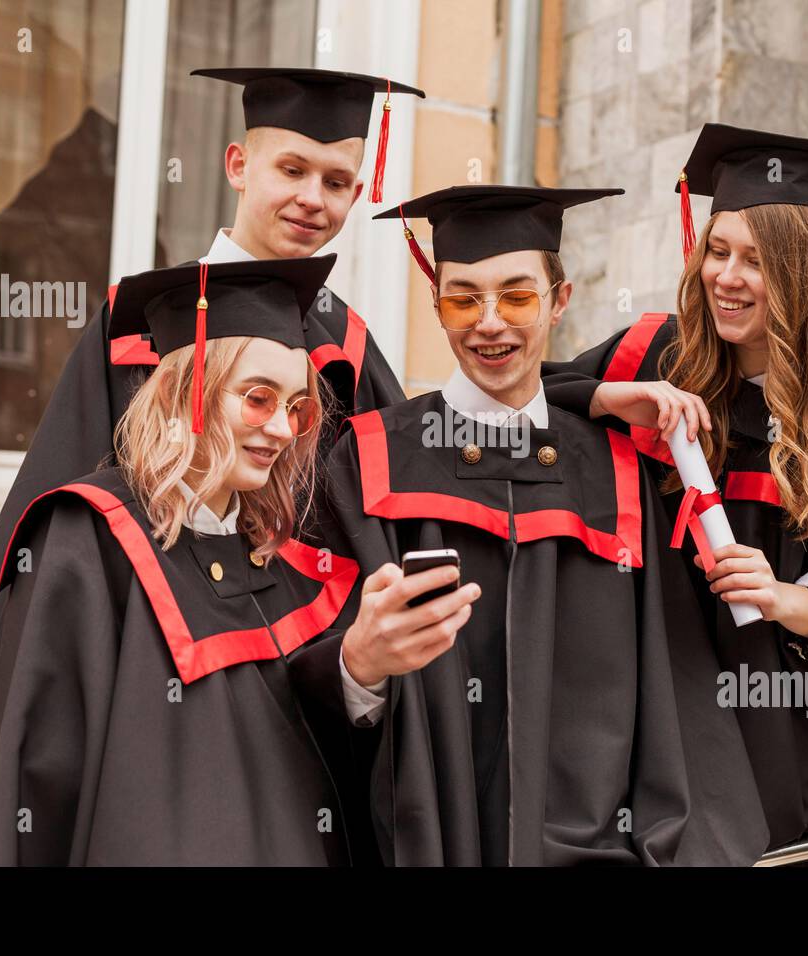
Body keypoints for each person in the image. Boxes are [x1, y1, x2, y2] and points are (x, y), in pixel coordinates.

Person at [0, 67, 424, 709]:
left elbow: (389, 518)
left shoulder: (346, 347)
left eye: (335, 182)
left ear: (357, 194)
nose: (312, 198)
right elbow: (69, 501)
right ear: (238, 165)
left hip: (299, 680)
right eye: (291, 169)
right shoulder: (140, 322)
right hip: (147, 657)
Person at [309, 185, 769, 866]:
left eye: (518, 297)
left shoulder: (615, 471)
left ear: (560, 301)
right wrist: (360, 666)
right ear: (436, 308)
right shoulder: (371, 460)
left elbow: (669, 703)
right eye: (463, 299)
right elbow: (308, 682)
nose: (489, 323)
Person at [0, 254, 441, 865]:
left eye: (298, 408)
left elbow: (314, 759)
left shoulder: (283, 565)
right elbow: (36, 777)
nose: (284, 429)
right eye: (259, 399)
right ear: (185, 391)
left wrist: (360, 669)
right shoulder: (87, 540)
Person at [541, 124, 808, 865]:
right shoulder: (651, 358)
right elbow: (523, 401)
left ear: (802, 274)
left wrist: (793, 599)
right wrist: (607, 398)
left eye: (756, 261)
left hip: (778, 744)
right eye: (718, 251)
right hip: (648, 727)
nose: (725, 277)